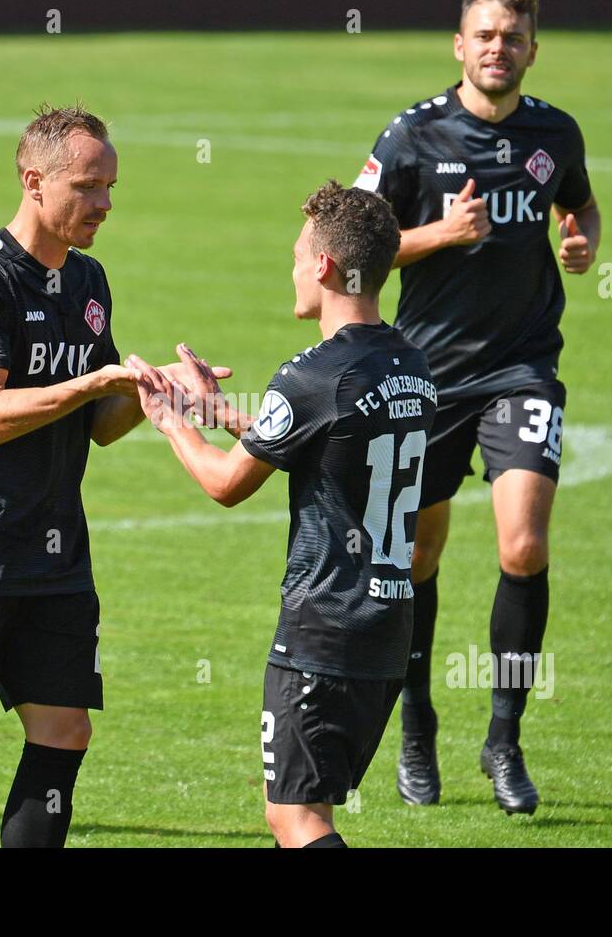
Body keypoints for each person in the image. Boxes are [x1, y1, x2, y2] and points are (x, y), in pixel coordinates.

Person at [0, 104, 226, 848]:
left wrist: (153, 397)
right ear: (34, 181)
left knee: (64, 732)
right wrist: (96, 384)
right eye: (88, 187)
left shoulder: (88, 284)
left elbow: (98, 427)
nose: (105, 204)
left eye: (111, 187)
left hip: (55, 556)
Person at [352, 0, 601, 814]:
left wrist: (581, 239)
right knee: (418, 557)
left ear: (533, 49)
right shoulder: (411, 135)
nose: (498, 47)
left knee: (523, 548)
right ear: (459, 46)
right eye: (484, 34)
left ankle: (504, 740)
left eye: (513, 36)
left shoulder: (553, 133)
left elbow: (580, 202)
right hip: (424, 376)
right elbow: (348, 255)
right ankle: (416, 727)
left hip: (523, 367)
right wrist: (438, 235)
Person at [133, 180, 434, 847]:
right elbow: (333, 447)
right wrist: (229, 415)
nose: (293, 268)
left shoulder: (311, 374)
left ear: (324, 266)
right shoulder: (410, 361)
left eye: (299, 255)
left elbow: (225, 484)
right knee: (308, 812)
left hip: (324, 627)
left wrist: (173, 422)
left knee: (295, 818)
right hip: (388, 625)